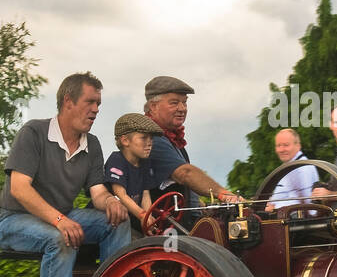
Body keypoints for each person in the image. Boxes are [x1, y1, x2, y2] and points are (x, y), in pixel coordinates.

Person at [0, 72, 132, 277]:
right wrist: (60, 220)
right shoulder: (33, 133)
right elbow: (20, 190)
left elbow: (97, 193)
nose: (96, 109)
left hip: (62, 216)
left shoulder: (92, 144)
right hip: (13, 220)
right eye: (90, 102)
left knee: (116, 221)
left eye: (98, 103)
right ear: (68, 101)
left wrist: (112, 201)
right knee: (61, 238)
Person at [142, 76, 243, 210]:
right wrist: (226, 195)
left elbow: (186, 187)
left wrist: (203, 208)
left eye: (184, 102)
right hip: (163, 227)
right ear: (153, 107)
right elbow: (185, 174)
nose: (182, 108)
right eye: (174, 103)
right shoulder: (151, 139)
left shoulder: (170, 138)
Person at [105, 113, 162, 231]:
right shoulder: (117, 160)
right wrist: (142, 215)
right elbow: (121, 194)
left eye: (151, 138)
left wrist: (149, 217)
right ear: (125, 140)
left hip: (130, 219)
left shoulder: (145, 162)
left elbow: (145, 194)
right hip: (110, 219)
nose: (150, 142)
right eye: (143, 138)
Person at [264, 128, 319, 213]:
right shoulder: (288, 166)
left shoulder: (303, 169)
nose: (281, 150)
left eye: (286, 145)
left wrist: (274, 208)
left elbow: (307, 205)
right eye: (278, 145)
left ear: (298, 145)